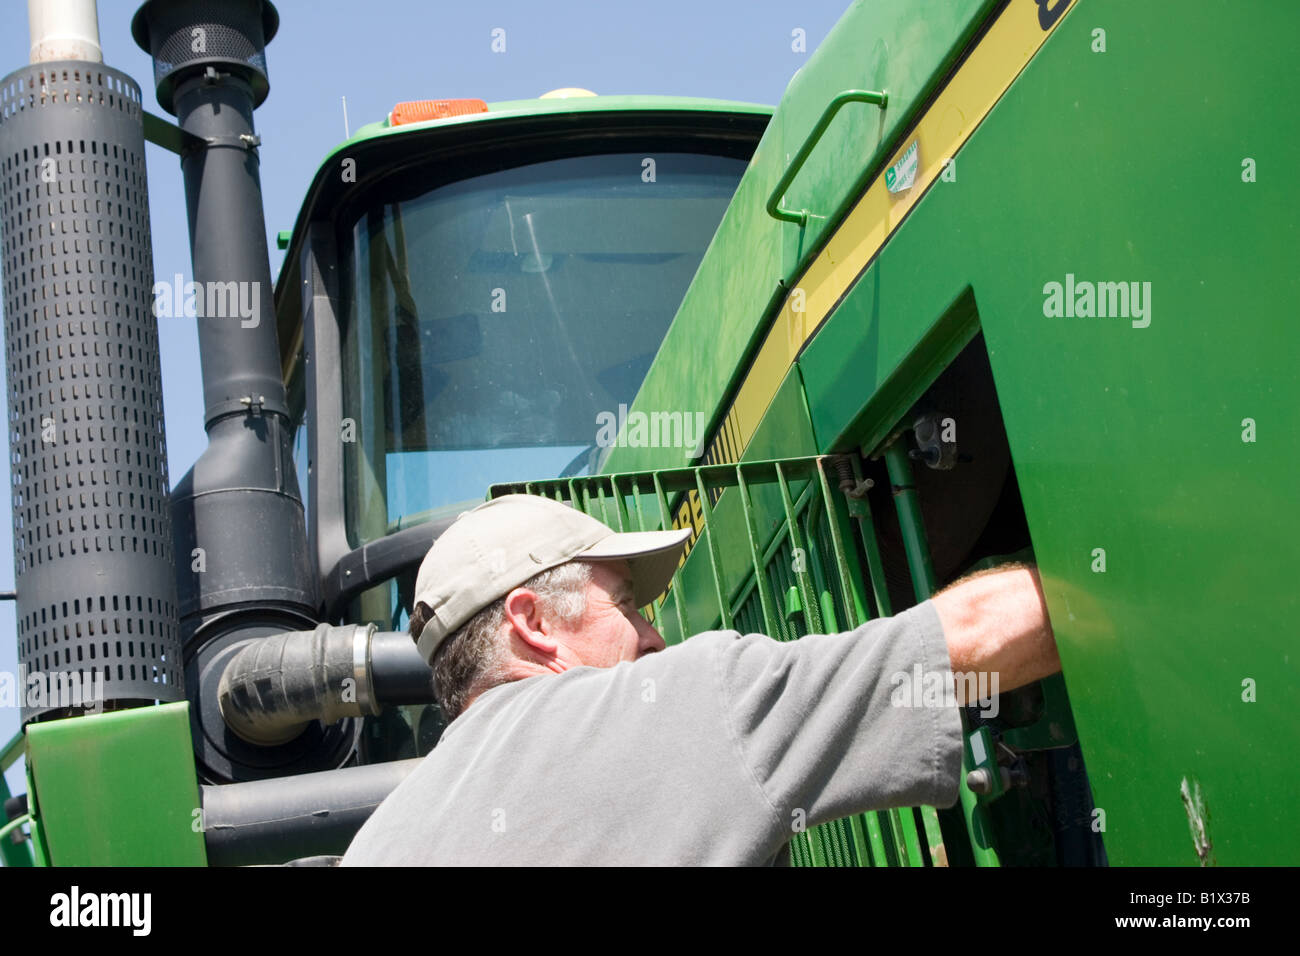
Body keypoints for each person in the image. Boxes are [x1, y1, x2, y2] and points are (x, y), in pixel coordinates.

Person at [340, 493, 1060, 866]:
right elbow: (974, 639)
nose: (654, 636)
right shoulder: (665, 710)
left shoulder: (377, 844)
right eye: (625, 606)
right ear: (533, 622)